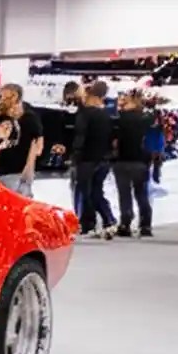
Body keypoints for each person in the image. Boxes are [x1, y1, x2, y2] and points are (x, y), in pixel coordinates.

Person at [72, 80, 117, 239]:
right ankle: (109, 219)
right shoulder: (107, 115)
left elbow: (80, 136)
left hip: (87, 158)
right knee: (96, 191)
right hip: (104, 158)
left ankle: (88, 224)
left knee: (85, 192)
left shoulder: (86, 114)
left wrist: (75, 155)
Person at [0, 83, 42, 196]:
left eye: (4, 96)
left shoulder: (29, 118)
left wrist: (28, 170)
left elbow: (36, 146)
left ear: (15, 96)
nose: (1, 100)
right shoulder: (2, 117)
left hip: (15, 172)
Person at [112, 90, 154, 237]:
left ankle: (125, 223)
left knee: (124, 194)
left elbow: (114, 141)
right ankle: (145, 224)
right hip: (141, 161)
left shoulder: (119, 120)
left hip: (122, 160)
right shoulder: (147, 120)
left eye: (124, 100)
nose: (121, 103)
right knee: (141, 193)